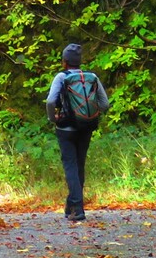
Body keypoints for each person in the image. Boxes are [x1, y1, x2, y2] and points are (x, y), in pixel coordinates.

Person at [45, 43, 109, 222]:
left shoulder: (61, 77)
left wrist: (53, 119)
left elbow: (50, 102)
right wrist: (89, 114)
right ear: (79, 61)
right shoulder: (92, 77)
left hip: (65, 128)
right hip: (86, 127)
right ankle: (71, 205)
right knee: (79, 165)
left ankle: (77, 208)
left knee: (70, 165)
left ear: (65, 61)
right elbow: (105, 105)